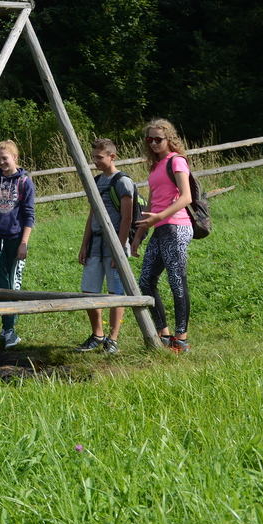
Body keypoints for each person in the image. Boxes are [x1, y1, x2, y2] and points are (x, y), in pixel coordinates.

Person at [130, 118, 194, 353]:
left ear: (169, 139)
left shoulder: (176, 161)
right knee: (146, 281)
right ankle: (164, 334)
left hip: (176, 226)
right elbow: (152, 204)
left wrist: (159, 218)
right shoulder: (156, 166)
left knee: (177, 282)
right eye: (150, 139)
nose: (155, 143)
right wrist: (139, 234)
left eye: (159, 139)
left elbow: (185, 197)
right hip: (159, 227)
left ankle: (181, 339)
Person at [75, 138, 135, 355]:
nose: (95, 161)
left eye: (99, 157)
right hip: (95, 243)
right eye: (93, 157)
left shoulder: (123, 182)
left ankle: (113, 338)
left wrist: (118, 251)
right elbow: (92, 213)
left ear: (112, 157)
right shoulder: (96, 180)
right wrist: (84, 244)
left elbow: (127, 218)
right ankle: (97, 334)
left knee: (115, 292)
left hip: (115, 244)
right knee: (88, 290)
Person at [0, 139, 35, 349]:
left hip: (15, 237)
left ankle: (9, 328)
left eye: (5, 158)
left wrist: (24, 243)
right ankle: (8, 327)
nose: (1, 162)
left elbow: (29, 215)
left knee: (11, 282)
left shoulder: (25, 182)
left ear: (15, 157)